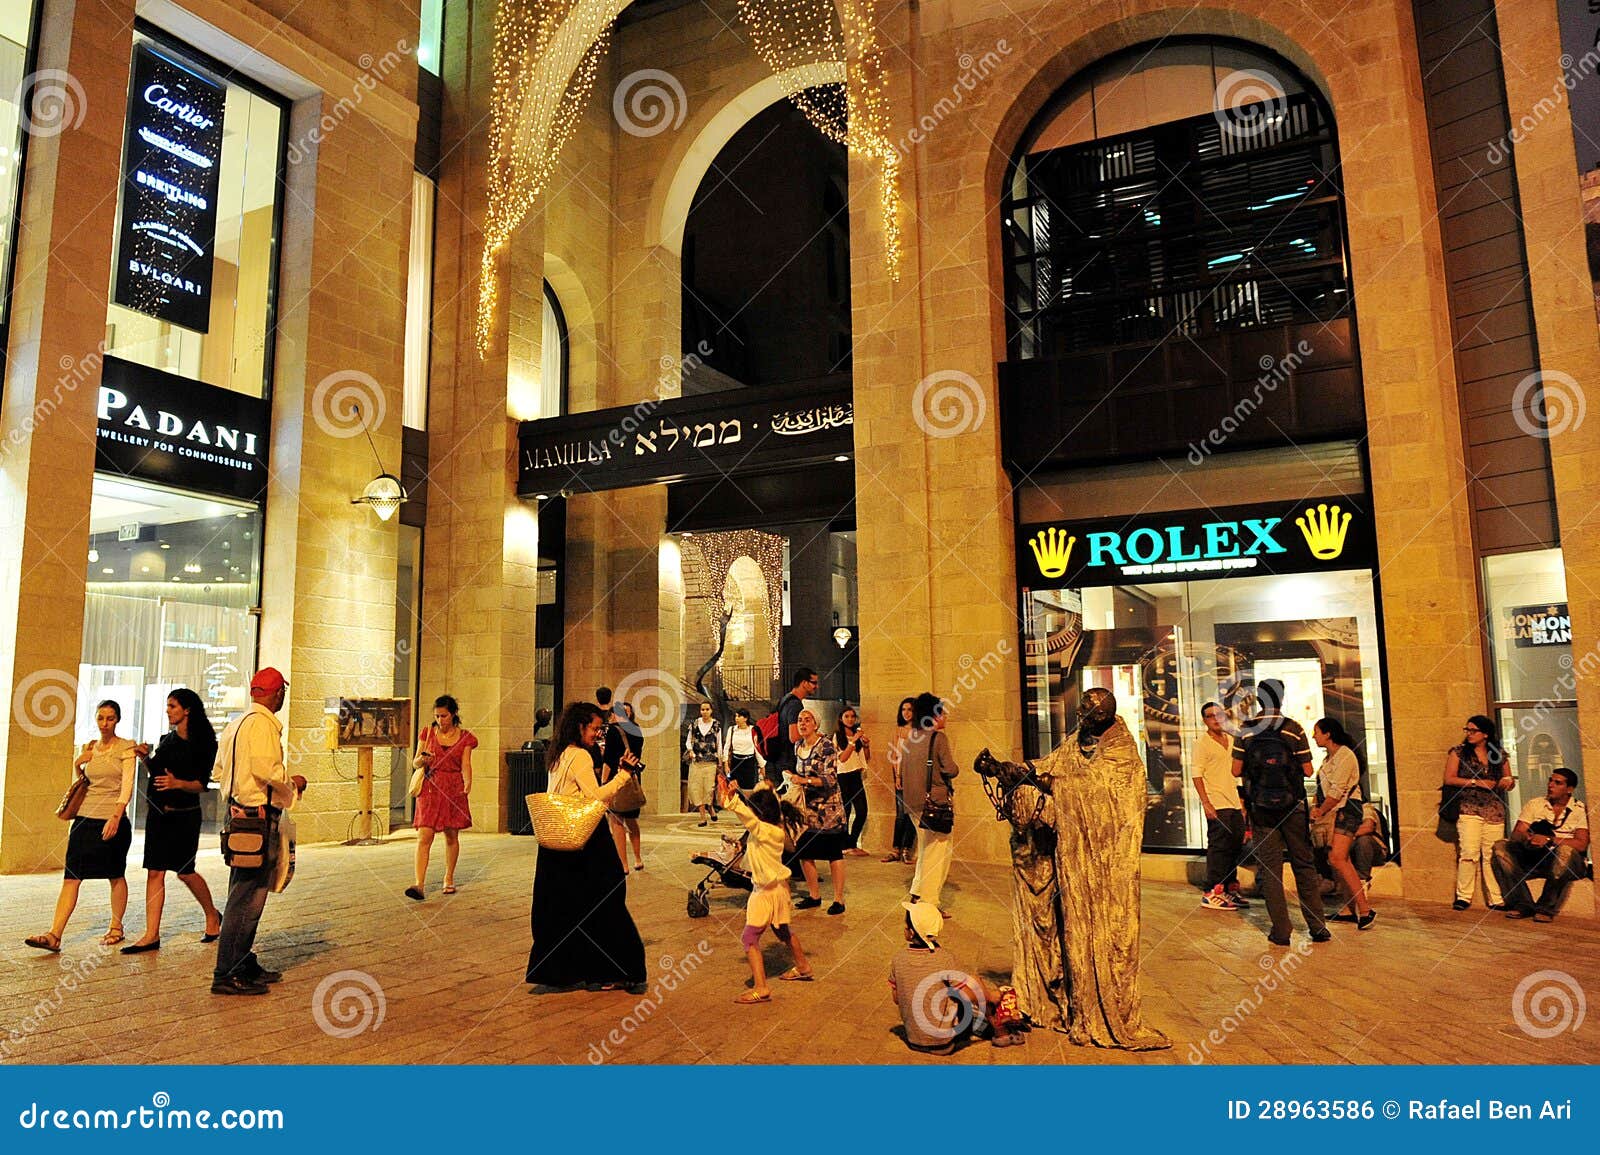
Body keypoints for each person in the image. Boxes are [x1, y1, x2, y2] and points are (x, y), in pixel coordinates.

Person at [1035, 687, 1169, 1049]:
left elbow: (1102, 790)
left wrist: (1051, 784)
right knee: (1075, 937)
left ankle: (1107, 1010)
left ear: (1103, 716)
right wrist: (1025, 772)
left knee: (1111, 939)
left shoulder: (1122, 751)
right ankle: (1079, 1010)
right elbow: (1053, 766)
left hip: (1110, 869)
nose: (1081, 718)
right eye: (1080, 711)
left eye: (1088, 713)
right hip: (1077, 863)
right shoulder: (1078, 740)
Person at [526, 702, 648, 992]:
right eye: (594, 728)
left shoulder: (558, 754)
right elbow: (595, 799)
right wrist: (623, 775)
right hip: (585, 841)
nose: (597, 733)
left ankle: (565, 970)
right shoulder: (580, 755)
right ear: (579, 726)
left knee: (563, 907)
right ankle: (615, 969)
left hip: (556, 844)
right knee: (608, 899)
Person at [210, 668, 307, 995]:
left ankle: (242, 961)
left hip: (237, 816)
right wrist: (292, 786)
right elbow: (266, 770)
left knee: (244, 889)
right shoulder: (264, 725)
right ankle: (227, 972)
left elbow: (219, 770)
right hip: (257, 818)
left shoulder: (235, 724)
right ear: (278, 693)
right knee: (248, 896)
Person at [24, 701, 138, 952]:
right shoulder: (90, 748)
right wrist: (78, 764)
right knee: (71, 877)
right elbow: (85, 783)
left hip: (112, 819)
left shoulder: (126, 747)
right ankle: (54, 934)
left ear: (117, 720)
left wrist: (116, 817)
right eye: (100, 718)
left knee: (115, 873)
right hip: (84, 819)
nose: (104, 723)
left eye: (109, 718)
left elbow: (127, 786)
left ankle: (116, 928)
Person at [974, 748, 1067, 1033]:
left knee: (1048, 933)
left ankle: (1047, 991)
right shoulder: (1028, 808)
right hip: (1033, 876)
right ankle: (1033, 992)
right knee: (1035, 933)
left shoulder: (1042, 804)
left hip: (1045, 875)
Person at [122, 689, 222, 953]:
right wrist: (145, 757)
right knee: (155, 871)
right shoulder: (167, 740)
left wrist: (178, 783)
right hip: (159, 814)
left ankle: (212, 915)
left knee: (185, 872)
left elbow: (202, 784)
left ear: (187, 709)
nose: (168, 710)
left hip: (184, 816)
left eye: (173, 706)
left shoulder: (204, 743)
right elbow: (157, 773)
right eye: (167, 706)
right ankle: (151, 934)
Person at [1232, 678, 1329, 948]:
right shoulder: (1293, 728)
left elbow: (1236, 771)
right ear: (1281, 698)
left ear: (1259, 699)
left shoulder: (1247, 729)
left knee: (1271, 869)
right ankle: (1318, 927)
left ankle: (1282, 931)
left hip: (1261, 809)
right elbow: (1308, 770)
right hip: (1293, 806)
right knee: (1303, 864)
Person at [717, 775, 813, 1002]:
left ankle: (761, 988)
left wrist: (732, 798)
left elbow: (746, 815)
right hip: (779, 890)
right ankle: (803, 966)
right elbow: (762, 803)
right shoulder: (776, 826)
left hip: (764, 893)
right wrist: (738, 792)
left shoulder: (764, 830)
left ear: (761, 813)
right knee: (783, 932)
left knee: (749, 939)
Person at [889, 901, 1024, 1054]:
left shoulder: (897, 959)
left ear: (911, 934)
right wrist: (988, 995)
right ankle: (999, 1029)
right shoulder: (944, 958)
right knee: (971, 983)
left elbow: (896, 998)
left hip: (913, 1041)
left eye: (906, 926)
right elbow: (970, 989)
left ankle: (989, 1013)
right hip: (943, 1044)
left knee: (955, 988)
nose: (905, 929)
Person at [1493, 767, 1590, 922]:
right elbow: (1516, 834)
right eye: (1550, 780)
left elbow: (1581, 844)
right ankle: (1523, 904)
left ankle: (1545, 908)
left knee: (1565, 851)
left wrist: (1549, 840)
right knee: (1500, 847)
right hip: (1537, 857)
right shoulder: (1535, 804)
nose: (1551, 785)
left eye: (1557, 783)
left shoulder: (1579, 809)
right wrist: (1528, 838)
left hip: (1567, 863)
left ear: (1569, 789)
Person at [405, 694, 477, 901]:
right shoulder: (427, 733)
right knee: (424, 835)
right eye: (437, 716)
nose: (440, 720)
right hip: (430, 787)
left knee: (451, 835)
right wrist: (422, 759)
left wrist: (467, 782)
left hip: (453, 787)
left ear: (453, 714)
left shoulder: (465, 737)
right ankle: (419, 883)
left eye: (444, 716)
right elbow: (415, 763)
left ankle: (449, 877)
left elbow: (466, 763)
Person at [1309, 717, 1374, 930]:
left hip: (1347, 809)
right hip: (1337, 811)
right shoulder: (1329, 759)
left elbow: (1337, 792)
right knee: (1340, 858)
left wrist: (1320, 810)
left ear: (1328, 733)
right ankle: (1348, 909)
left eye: (1317, 731)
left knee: (1337, 858)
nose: (1314, 736)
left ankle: (1365, 909)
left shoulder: (1345, 755)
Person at [1445, 715, 1511, 910]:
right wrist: (1476, 782)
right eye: (1467, 730)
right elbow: (1449, 779)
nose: (1469, 734)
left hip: (1494, 809)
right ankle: (1463, 896)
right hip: (1469, 807)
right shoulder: (1458, 753)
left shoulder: (1498, 754)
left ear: (1485, 734)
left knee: (1491, 854)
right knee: (1469, 852)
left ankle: (1495, 897)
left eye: (1473, 731)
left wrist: (1507, 782)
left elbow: (1508, 777)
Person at [901, 692, 958, 913]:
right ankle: (929, 904)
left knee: (925, 849)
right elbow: (950, 769)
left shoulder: (909, 739)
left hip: (913, 802)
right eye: (942, 712)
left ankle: (917, 892)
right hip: (935, 803)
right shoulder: (938, 739)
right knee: (938, 853)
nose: (945, 716)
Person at [1192, 700, 1247, 911]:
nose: (1216, 719)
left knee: (1235, 845)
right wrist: (1206, 802)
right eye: (1210, 716)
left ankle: (1229, 888)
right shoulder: (1202, 743)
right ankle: (1212, 891)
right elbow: (1196, 773)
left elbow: (1237, 773)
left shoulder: (1232, 741)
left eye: (1219, 715)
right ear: (1205, 720)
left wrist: (1242, 802)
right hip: (1216, 800)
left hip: (1233, 800)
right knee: (1219, 846)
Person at [791, 708, 847, 914]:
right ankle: (814, 895)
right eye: (800, 719)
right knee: (805, 852)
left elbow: (831, 779)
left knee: (833, 853)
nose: (803, 723)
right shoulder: (797, 746)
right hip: (807, 810)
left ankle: (839, 900)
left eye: (807, 720)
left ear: (816, 724)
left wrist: (805, 780)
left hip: (828, 810)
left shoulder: (826, 746)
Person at [601, 701, 646, 871]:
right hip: (633, 778)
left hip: (617, 779)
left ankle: (623, 864)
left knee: (617, 821)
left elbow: (608, 761)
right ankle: (638, 858)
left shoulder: (613, 731)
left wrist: (603, 784)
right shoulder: (637, 730)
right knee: (632, 820)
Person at [1329, 801, 1390, 921]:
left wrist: (1347, 835)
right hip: (1352, 849)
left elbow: (1368, 826)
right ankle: (1350, 909)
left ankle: (1362, 878)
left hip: (1374, 850)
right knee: (1336, 853)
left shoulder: (1365, 808)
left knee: (1364, 840)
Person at [766, 667, 817, 788]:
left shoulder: (784, 699)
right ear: (804, 683)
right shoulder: (795, 705)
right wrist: (812, 736)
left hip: (775, 761)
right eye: (814, 683)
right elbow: (794, 737)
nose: (817, 686)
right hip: (786, 763)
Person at [882, 696, 918, 864]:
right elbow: (895, 755)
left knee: (911, 814)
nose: (906, 713)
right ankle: (896, 849)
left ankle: (906, 849)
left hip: (915, 775)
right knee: (900, 814)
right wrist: (897, 776)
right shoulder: (897, 730)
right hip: (899, 775)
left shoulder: (919, 731)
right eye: (903, 709)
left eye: (909, 709)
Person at [834, 706, 872, 856]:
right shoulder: (838, 736)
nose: (850, 719)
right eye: (846, 716)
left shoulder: (857, 734)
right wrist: (853, 742)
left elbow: (865, 758)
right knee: (846, 811)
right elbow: (842, 758)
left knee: (862, 811)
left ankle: (851, 842)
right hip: (843, 776)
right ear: (841, 718)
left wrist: (866, 745)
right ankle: (845, 845)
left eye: (852, 716)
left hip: (856, 775)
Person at [685, 701, 722, 826]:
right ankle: (702, 816)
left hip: (710, 762)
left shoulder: (716, 725)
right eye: (702, 709)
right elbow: (688, 740)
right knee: (696, 788)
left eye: (707, 709)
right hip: (696, 761)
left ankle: (710, 807)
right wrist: (690, 750)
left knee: (709, 789)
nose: (704, 712)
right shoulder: (694, 724)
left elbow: (719, 744)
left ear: (711, 710)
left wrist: (721, 761)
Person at [721, 708, 766, 792]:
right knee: (734, 789)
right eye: (735, 716)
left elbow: (757, 749)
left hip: (749, 763)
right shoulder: (731, 729)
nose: (736, 718)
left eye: (739, 716)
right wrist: (726, 764)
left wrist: (762, 766)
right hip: (735, 762)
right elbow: (726, 747)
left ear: (746, 718)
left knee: (748, 790)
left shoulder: (753, 730)